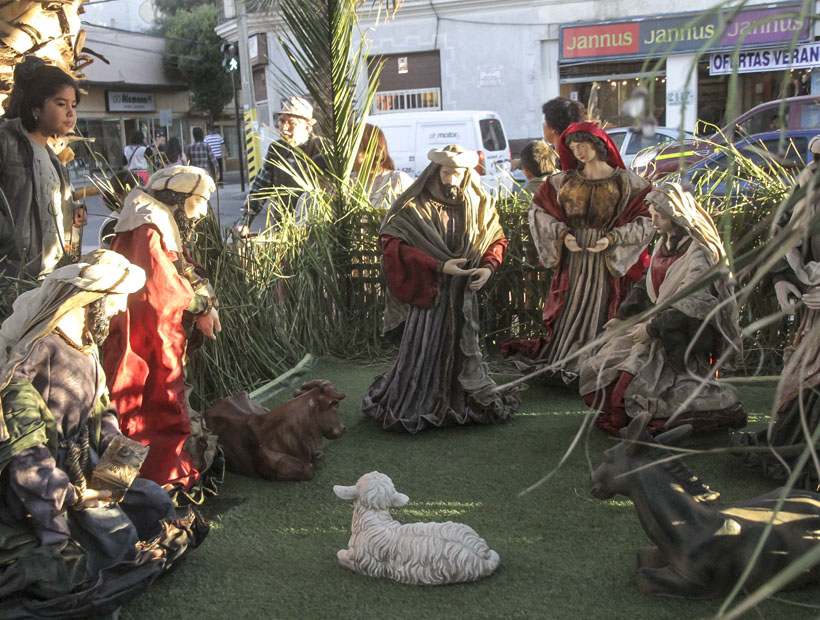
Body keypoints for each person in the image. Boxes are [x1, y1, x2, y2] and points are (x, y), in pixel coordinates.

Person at [0, 249, 207, 617]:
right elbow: (27, 460)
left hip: (89, 466)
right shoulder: (30, 363)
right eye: (114, 303)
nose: (117, 312)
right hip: (46, 487)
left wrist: (116, 466)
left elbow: (103, 411)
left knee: (156, 505)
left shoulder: (86, 347)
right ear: (91, 301)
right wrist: (74, 499)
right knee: (117, 537)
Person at [361, 145, 520, 433]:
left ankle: (463, 400)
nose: (452, 180)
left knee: (462, 347)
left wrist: (488, 267)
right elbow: (392, 244)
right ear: (436, 171)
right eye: (446, 173)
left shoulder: (479, 202)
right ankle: (420, 400)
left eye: (458, 174)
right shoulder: (414, 206)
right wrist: (437, 265)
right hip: (430, 296)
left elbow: (496, 238)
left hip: (462, 297)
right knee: (423, 350)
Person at [579, 183, 746, 436]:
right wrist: (622, 317)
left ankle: (672, 420)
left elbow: (693, 302)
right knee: (601, 367)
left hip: (681, 334)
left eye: (660, 217)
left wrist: (651, 328)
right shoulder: (663, 245)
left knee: (633, 383)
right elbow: (647, 286)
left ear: (677, 217)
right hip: (657, 325)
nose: (654, 223)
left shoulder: (699, 252)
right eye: (652, 216)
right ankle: (631, 418)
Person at [501, 122, 654, 385]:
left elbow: (647, 218)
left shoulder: (628, 183)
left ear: (599, 145)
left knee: (605, 305)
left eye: (582, 145)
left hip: (607, 259)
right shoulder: (563, 182)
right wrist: (562, 234)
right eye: (573, 147)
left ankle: (599, 360)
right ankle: (568, 357)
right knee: (571, 306)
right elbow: (538, 212)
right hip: (575, 257)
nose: (578, 152)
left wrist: (615, 238)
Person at [103, 166, 221, 498]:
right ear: (178, 198)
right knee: (150, 407)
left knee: (150, 405)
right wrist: (198, 304)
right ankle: (154, 484)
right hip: (146, 337)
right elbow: (160, 289)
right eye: (197, 202)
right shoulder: (148, 227)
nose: (199, 212)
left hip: (151, 332)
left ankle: (143, 485)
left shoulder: (153, 222)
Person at [733, 151, 820, 490]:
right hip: (814, 307)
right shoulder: (809, 183)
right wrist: (783, 277)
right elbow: (784, 234)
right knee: (803, 380)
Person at [0, 56, 85, 278]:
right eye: (61, 103)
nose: (70, 113)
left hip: (46, 278)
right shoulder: (6, 141)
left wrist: (72, 212)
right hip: (11, 277)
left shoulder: (55, 160)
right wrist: (10, 241)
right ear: (36, 107)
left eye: (73, 105)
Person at [235, 96, 322, 236]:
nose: (283, 127)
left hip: (316, 230)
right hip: (284, 229)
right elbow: (260, 187)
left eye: (291, 123)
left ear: (307, 126)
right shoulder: (276, 149)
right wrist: (245, 220)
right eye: (281, 121)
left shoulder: (320, 148)